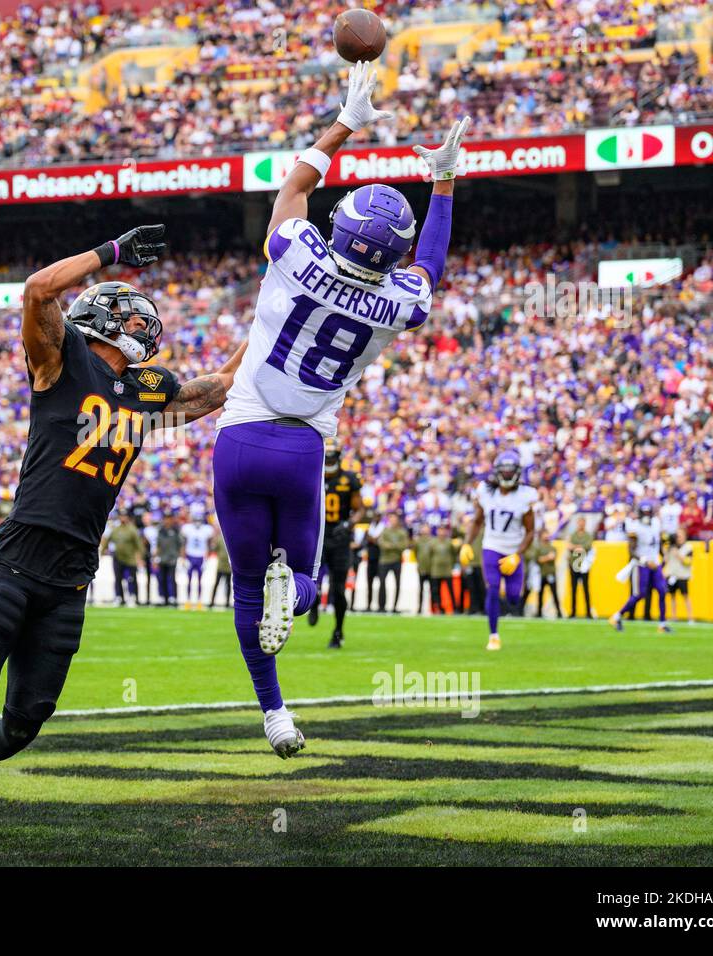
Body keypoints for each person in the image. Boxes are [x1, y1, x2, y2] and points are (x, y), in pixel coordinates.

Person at [0, 222, 243, 862]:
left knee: (22, 723)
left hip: (70, 577)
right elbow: (37, 289)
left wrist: (275, 320)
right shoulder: (58, 359)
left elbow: (220, 388)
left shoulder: (144, 392)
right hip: (15, 563)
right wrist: (112, 253)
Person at [209, 59, 466, 754]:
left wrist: (347, 121)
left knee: (243, 586)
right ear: (391, 253)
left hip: (238, 435)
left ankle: (273, 712)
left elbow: (296, 184)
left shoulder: (294, 251)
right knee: (308, 578)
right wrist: (442, 178)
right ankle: (297, 589)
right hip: (302, 449)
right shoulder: (396, 303)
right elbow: (431, 267)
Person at [465, 451, 538, 651]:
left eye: (509, 472)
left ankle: (504, 610)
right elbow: (477, 521)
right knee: (493, 587)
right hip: (492, 546)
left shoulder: (525, 495)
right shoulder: (486, 492)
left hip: (513, 549)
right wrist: (466, 543)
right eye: (503, 472)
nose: (506, 475)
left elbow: (531, 531)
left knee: (514, 598)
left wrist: (518, 554)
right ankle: (493, 635)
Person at [313, 448, 362, 646]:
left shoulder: (349, 479)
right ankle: (314, 602)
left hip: (340, 537)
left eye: (332, 457)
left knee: (339, 588)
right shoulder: (313, 474)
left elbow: (359, 510)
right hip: (317, 534)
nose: (329, 461)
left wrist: (348, 524)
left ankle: (338, 631)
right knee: (312, 578)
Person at [609, 499, 671, 633]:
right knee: (639, 594)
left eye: (649, 513)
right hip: (641, 564)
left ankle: (662, 624)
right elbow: (630, 550)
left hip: (655, 562)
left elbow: (657, 542)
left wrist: (663, 554)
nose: (647, 515)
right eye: (645, 513)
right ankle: (617, 616)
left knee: (662, 590)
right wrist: (644, 560)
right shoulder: (635, 526)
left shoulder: (656, 523)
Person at [104, 512, 143, 605]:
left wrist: (140, 558)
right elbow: (107, 541)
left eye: (124, 516)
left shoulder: (132, 530)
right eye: (121, 516)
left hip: (130, 558)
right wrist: (103, 551)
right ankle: (119, 597)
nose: (123, 518)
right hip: (118, 557)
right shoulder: (115, 529)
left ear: (127, 517)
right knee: (118, 578)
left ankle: (133, 596)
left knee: (131, 579)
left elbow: (139, 545)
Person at [180, 504, 213, 611]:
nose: (198, 522)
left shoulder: (206, 529)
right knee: (189, 580)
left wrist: (207, 559)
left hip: (200, 557)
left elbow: (209, 544)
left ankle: (199, 601)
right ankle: (188, 601)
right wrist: (183, 558)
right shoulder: (187, 528)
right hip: (190, 556)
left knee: (199, 580)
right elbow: (184, 544)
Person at [376, 514, 411, 614]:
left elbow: (404, 545)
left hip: (396, 560)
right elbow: (382, 543)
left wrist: (391, 546)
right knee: (382, 583)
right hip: (384, 560)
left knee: (397, 583)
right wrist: (394, 546)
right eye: (391, 519)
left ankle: (395, 606)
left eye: (395, 519)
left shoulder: (402, 532)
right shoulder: (385, 531)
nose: (393, 521)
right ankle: (381, 606)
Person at [527, 529, 561, 618]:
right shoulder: (538, 548)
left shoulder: (551, 547)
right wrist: (547, 557)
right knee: (540, 594)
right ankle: (539, 613)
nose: (546, 536)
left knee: (554, 593)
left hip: (551, 573)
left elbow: (553, 557)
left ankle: (559, 612)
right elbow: (537, 559)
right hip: (541, 574)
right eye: (545, 534)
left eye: (547, 534)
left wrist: (544, 558)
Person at [566, 516, 595, 618]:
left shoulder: (588, 535)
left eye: (583, 522)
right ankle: (573, 612)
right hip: (574, 564)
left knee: (586, 589)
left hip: (584, 565)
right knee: (573, 589)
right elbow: (569, 546)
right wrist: (578, 547)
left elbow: (587, 546)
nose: (581, 524)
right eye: (579, 522)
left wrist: (576, 547)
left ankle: (588, 612)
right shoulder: (573, 535)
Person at [664, 527, 695, 624]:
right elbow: (666, 560)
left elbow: (688, 562)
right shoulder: (671, 547)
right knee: (672, 596)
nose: (678, 538)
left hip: (682, 575)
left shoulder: (688, 547)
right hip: (672, 574)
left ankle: (690, 617)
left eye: (680, 536)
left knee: (685, 596)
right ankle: (674, 616)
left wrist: (678, 555)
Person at [428, 525, 457, 614]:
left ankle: (455, 608)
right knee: (436, 590)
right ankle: (439, 608)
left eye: (443, 530)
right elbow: (430, 555)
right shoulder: (433, 542)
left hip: (447, 570)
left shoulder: (449, 542)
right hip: (436, 570)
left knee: (450, 590)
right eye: (440, 530)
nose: (441, 532)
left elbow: (453, 555)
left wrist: (452, 565)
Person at [154, 512, 181, 607]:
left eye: (168, 518)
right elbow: (158, 545)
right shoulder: (160, 531)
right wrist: (155, 558)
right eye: (165, 518)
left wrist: (181, 558)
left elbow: (180, 545)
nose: (167, 520)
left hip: (172, 558)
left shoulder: (176, 530)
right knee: (162, 579)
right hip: (162, 558)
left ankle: (173, 598)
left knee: (172, 579)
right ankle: (163, 598)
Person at [209, 528, 232, 609]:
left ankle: (227, 603)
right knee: (216, 584)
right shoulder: (219, 538)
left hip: (229, 567)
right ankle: (212, 602)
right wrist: (213, 542)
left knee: (228, 585)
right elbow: (214, 549)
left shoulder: (231, 538)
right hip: (221, 566)